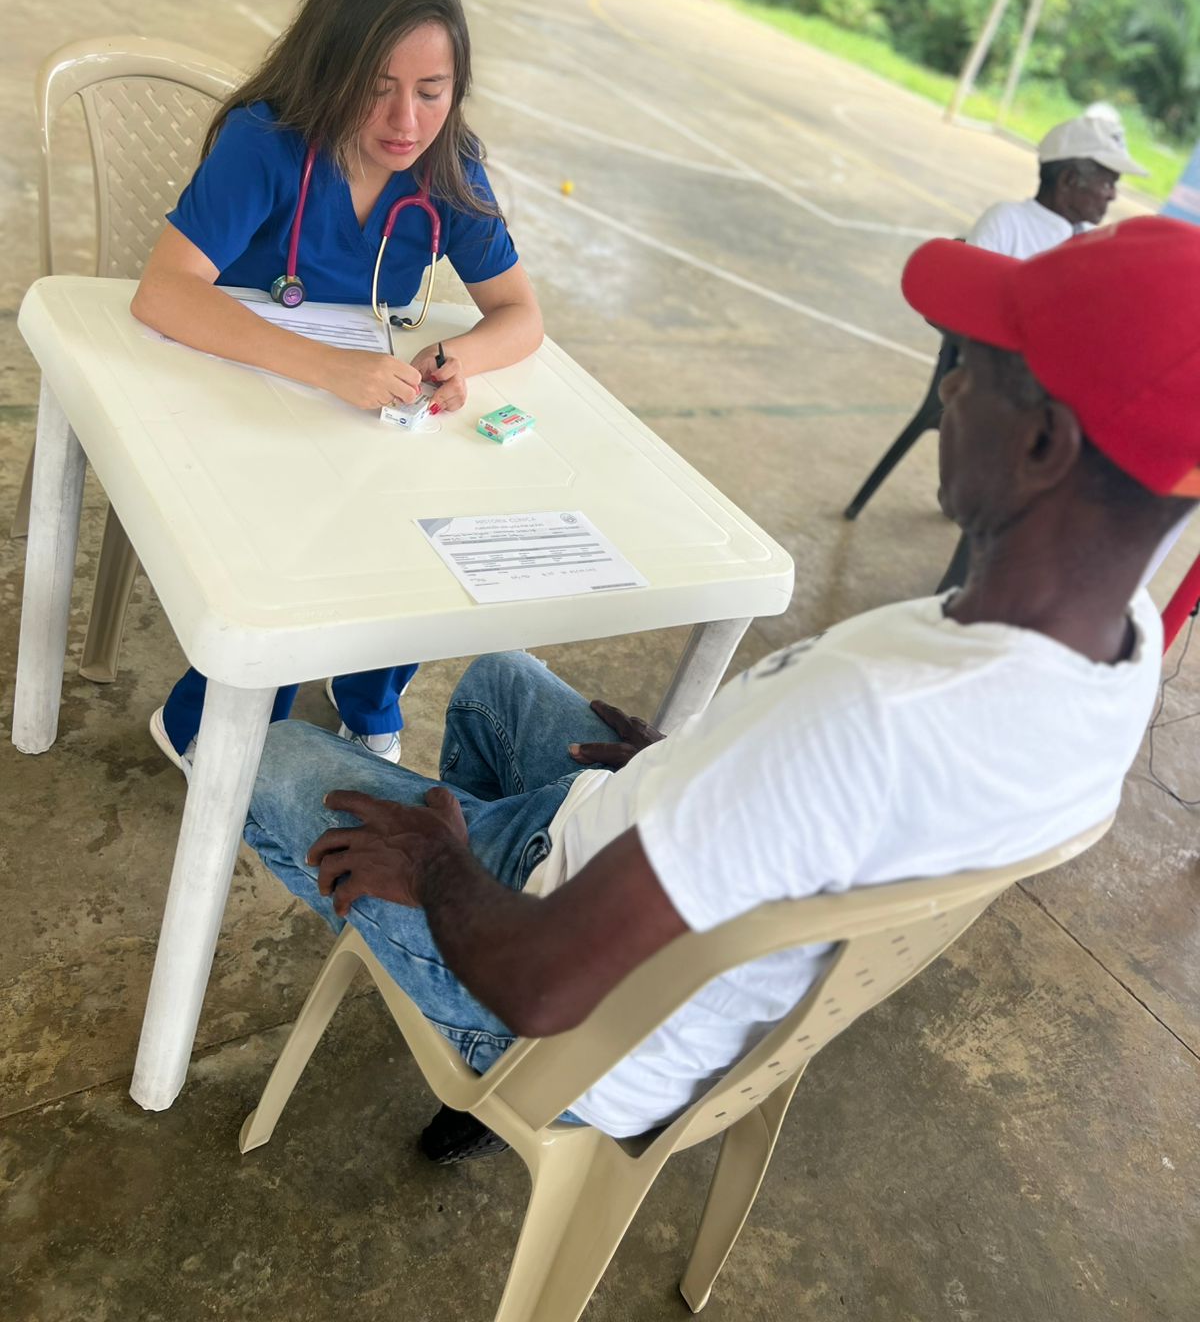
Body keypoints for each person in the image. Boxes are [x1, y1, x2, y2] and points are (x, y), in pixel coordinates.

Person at [243, 216, 1200, 1161]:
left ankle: (466, 1012)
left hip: (573, 1022)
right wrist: (699, 771)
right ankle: (449, 948)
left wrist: (438, 865)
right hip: (683, 946)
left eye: (976, 369)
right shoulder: (1117, 669)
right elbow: (840, 818)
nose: (948, 384)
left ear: (1043, 446)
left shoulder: (868, 714)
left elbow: (542, 985)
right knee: (499, 681)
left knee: (258, 753)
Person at [131, 0, 542, 774]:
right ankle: (206, 720)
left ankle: (369, 695)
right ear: (330, 70)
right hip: (230, 386)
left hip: (356, 406)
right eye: (376, 89)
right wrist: (325, 367)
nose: (406, 123)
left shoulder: (448, 166)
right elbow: (164, 294)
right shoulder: (268, 143)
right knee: (295, 539)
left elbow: (520, 316)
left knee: (420, 529)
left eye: (432, 93)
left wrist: (455, 356)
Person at [968, 111, 1147, 259]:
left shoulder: (1095, 241)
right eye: (1108, 184)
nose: (1113, 195)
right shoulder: (1006, 223)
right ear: (1068, 179)